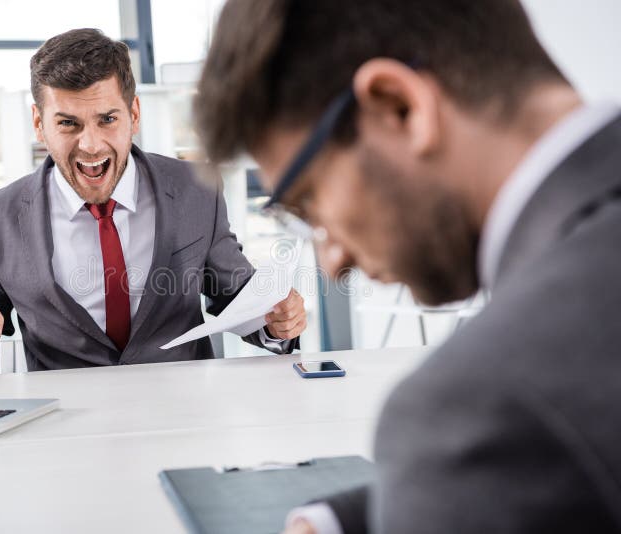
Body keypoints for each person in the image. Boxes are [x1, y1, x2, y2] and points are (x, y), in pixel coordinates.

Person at [194, 0, 621, 533]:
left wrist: (436, 472)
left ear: (399, 107)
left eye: (310, 203)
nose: (332, 260)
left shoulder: (476, 405)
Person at [0, 28, 305, 371]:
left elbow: (238, 298)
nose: (91, 144)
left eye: (108, 120)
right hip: (67, 418)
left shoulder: (196, 190)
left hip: (186, 412)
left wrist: (276, 323)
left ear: (134, 115)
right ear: (39, 124)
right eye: (68, 123)